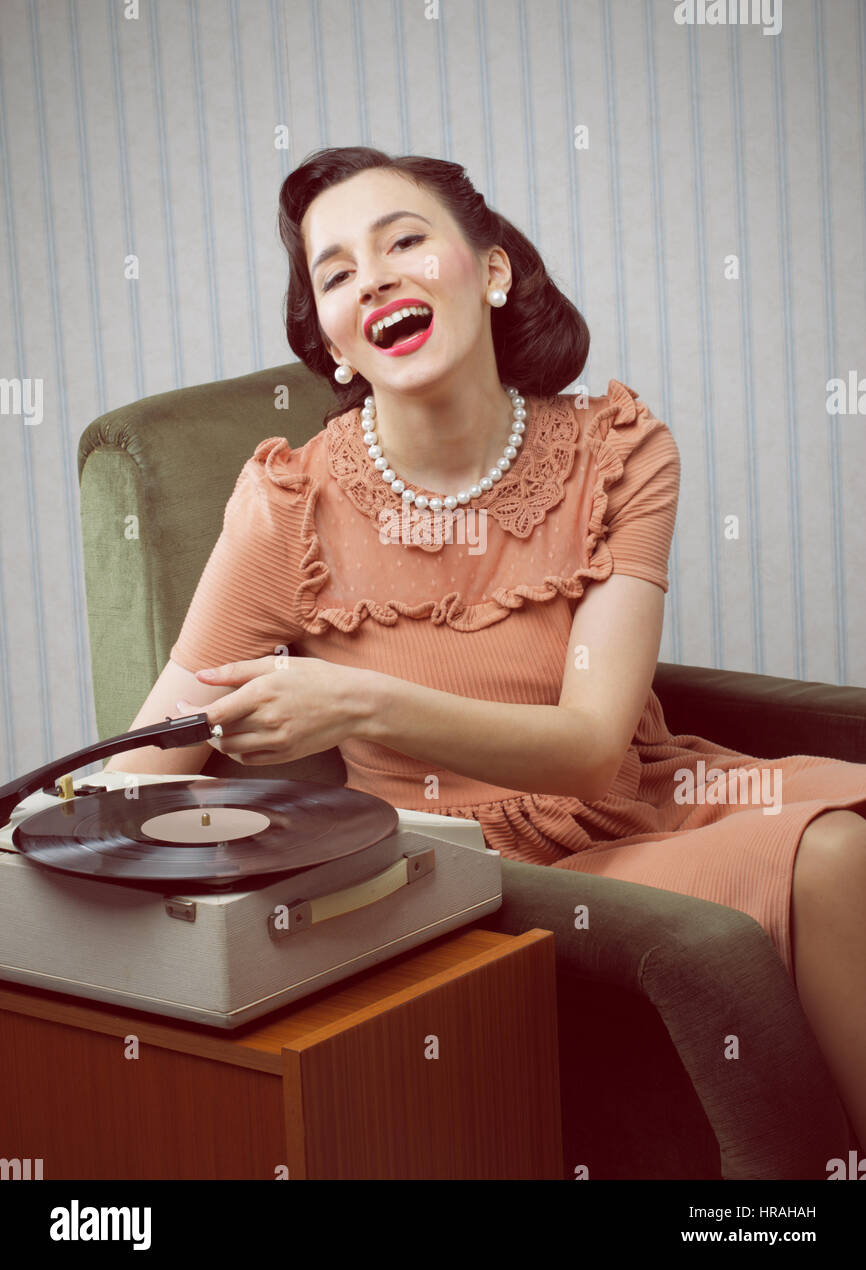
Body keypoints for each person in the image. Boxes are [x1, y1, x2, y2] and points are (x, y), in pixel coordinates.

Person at [108, 146, 866, 1150]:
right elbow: (147, 756)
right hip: (456, 862)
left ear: (493, 272)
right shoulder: (287, 505)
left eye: (404, 239)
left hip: (643, 798)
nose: (370, 275)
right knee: (822, 869)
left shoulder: (617, 450)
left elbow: (596, 745)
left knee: (845, 843)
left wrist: (353, 702)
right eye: (334, 272)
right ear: (335, 342)